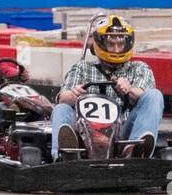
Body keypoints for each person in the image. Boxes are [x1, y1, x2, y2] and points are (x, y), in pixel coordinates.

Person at [52, 15, 163, 159]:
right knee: (61, 108)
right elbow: (62, 99)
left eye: (120, 44)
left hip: (122, 136)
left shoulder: (139, 68)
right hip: (85, 136)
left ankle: (135, 149)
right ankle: (65, 155)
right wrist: (73, 94)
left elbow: (141, 95)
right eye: (111, 44)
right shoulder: (82, 68)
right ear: (99, 44)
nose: (116, 49)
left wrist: (128, 90)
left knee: (154, 95)